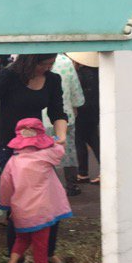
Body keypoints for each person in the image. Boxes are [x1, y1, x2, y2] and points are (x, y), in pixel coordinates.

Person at [0, 54, 69, 263]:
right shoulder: (9, 76)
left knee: (50, 199)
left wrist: (61, 135)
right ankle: (17, 259)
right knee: (20, 203)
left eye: (51, 64)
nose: (47, 68)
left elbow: (57, 112)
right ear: (29, 60)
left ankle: (49, 252)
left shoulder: (52, 80)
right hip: (11, 148)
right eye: (43, 64)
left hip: (39, 148)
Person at [0, 118, 73, 263]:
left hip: (20, 210)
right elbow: (60, 149)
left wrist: (5, 204)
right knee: (40, 246)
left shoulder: (13, 161)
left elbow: (5, 185)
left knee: (22, 239)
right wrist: (54, 140)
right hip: (41, 211)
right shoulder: (46, 155)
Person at [44, 54, 85, 196]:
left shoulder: (31, 57)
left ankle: (50, 187)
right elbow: (75, 88)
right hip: (65, 114)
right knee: (68, 151)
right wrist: (76, 105)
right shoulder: (66, 61)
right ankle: (71, 184)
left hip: (41, 116)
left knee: (45, 153)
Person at [66, 52, 100, 184]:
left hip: (82, 111)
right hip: (92, 110)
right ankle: (83, 172)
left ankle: (84, 172)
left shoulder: (80, 73)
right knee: (89, 139)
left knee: (84, 140)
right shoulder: (95, 71)